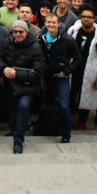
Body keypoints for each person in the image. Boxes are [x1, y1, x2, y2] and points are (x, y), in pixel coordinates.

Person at [0, 19, 45, 154]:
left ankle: (18, 140)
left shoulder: (35, 47)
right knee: (12, 107)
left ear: (26, 32)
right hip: (11, 84)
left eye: (21, 32)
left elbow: (38, 73)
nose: (18, 34)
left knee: (23, 107)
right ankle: (14, 130)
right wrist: (4, 68)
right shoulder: (7, 42)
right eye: (15, 32)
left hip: (27, 85)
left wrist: (17, 74)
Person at [67, 9, 97, 130]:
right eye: (83, 16)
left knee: (86, 96)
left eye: (89, 17)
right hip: (73, 70)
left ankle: (82, 119)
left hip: (90, 71)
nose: (86, 19)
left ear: (94, 19)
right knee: (71, 93)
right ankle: (68, 116)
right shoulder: (73, 31)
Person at [39, 12, 81, 144]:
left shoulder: (68, 40)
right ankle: (50, 127)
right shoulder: (41, 38)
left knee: (64, 106)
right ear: (45, 23)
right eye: (48, 22)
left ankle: (66, 134)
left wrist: (65, 72)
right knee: (49, 103)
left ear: (59, 24)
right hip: (47, 76)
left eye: (53, 22)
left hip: (61, 77)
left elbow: (78, 59)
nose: (51, 25)